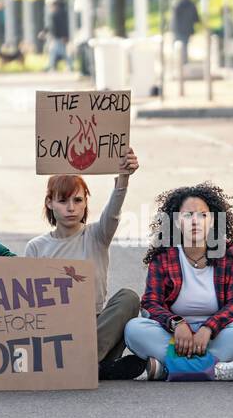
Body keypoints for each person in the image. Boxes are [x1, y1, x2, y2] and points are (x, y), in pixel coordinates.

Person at [25, 150, 144, 380]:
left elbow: (113, 213)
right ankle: (96, 368)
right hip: (56, 328)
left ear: (85, 202)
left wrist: (124, 178)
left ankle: (80, 363)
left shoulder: (96, 236)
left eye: (77, 200)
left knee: (128, 297)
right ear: (50, 203)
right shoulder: (36, 247)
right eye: (63, 200)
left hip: (97, 325)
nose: (71, 207)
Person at [124, 183, 233, 381]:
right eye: (188, 215)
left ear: (213, 220)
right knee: (134, 329)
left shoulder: (231, 255)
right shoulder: (164, 256)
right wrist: (177, 324)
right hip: (173, 336)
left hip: (216, 335)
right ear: (177, 221)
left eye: (202, 215)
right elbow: (150, 304)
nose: (195, 221)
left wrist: (208, 328)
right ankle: (217, 370)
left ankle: (169, 369)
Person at [45, 0, 71, 72]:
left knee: (61, 52)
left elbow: (63, 26)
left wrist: (64, 36)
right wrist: (44, 32)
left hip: (60, 37)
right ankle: (52, 66)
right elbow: (50, 26)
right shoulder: (52, 14)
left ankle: (68, 66)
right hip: (54, 37)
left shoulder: (61, 13)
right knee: (53, 52)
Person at [173, 0, 199, 64]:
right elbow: (196, 18)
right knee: (185, 44)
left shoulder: (178, 5)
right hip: (187, 29)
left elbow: (175, 17)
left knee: (179, 44)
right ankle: (184, 60)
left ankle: (181, 60)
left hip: (179, 28)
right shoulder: (191, 5)